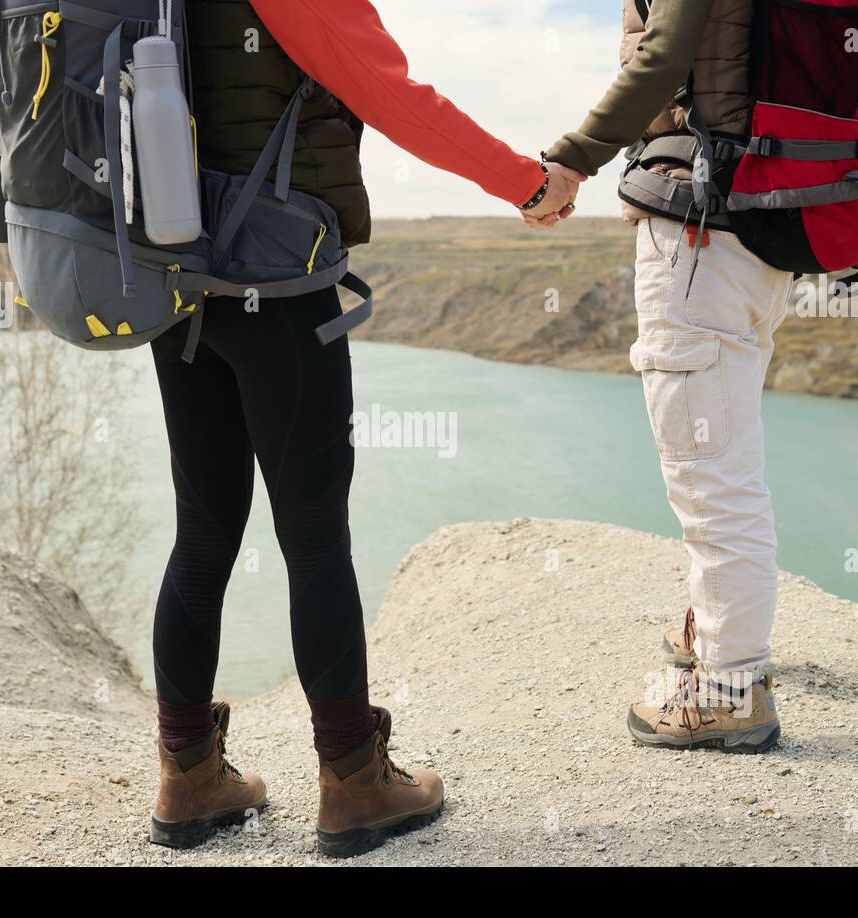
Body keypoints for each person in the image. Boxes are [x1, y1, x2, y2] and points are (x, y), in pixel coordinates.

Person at [149, 0, 584, 858]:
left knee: (202, 534)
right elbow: (393, 96)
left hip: (173, 281)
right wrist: (526, 181)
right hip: (277, 283)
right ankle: (354, 785)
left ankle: (187, 779)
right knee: (315, 537)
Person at [537, 0, 785, 753]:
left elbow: (666, 53)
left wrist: (575, 154)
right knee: (725, 448)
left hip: (699, 222)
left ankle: (732, 686)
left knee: (707, 468)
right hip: (759, 218)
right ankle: (720, 635)